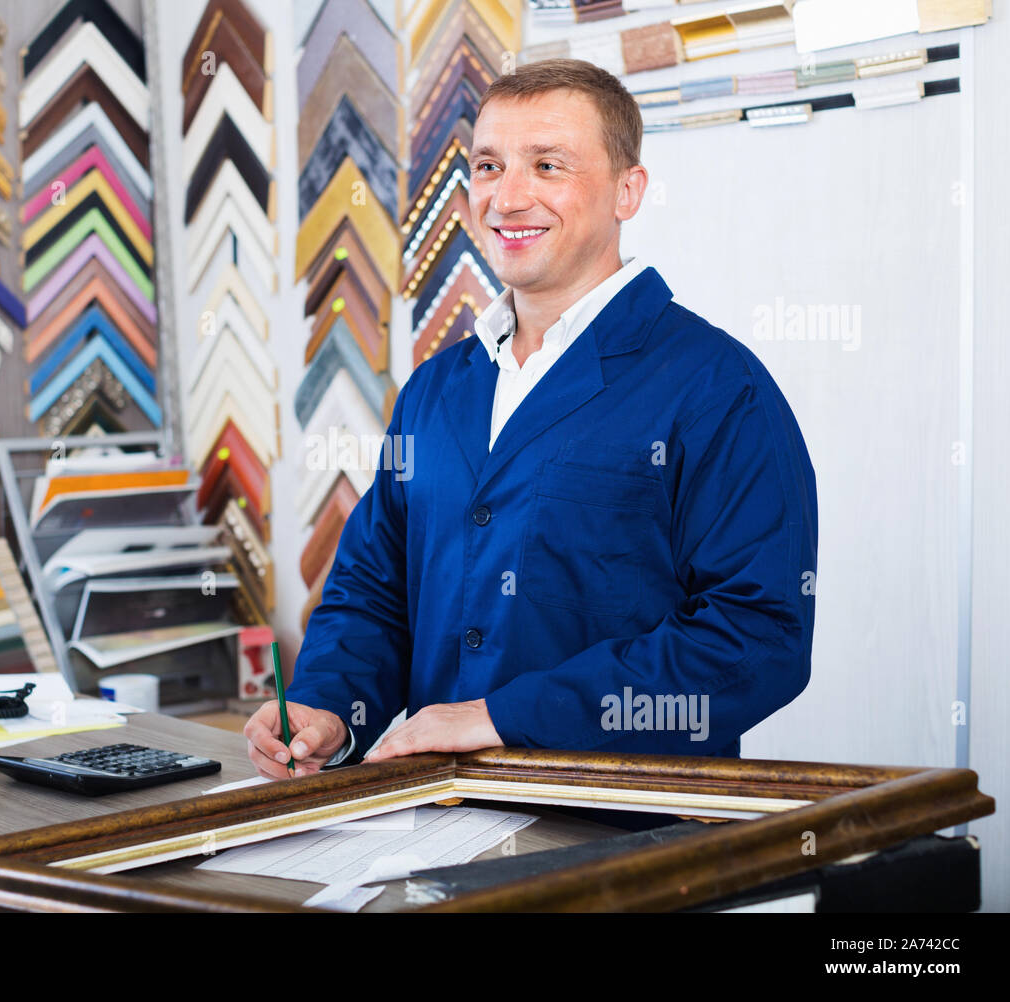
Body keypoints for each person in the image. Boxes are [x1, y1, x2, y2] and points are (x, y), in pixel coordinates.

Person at [245, 59, 817, 778]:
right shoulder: (435, 390)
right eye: (488, 166)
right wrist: (330, 706)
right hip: (435, 814)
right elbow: (374, 587)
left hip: (625, 830)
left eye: (548, 166)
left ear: (627, 191)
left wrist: (502, 717)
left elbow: (758, 639)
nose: (507, 198)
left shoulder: (716, 388)